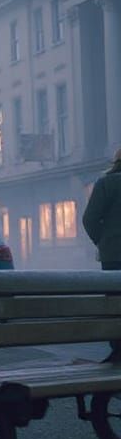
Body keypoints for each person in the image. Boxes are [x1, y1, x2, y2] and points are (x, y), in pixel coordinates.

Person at [82, 149, 121, 358]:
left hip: (114, 256)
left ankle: (117, 350)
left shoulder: (106, 184)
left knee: (115, 304)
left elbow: (89, 219)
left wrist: (103, 241)